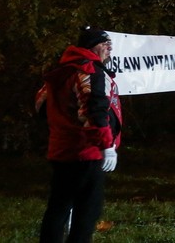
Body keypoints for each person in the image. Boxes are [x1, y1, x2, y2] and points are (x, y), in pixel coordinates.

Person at [36, 26, 123, 243]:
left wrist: (61, 129)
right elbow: (95, 109)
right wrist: (107, 146)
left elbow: (40, 104)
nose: (109, 49)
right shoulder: (90, 72)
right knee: (87, 211)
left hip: (61, 151)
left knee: (59, 207)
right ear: (94, 46)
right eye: (105, 44)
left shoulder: (61, 71)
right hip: (87, 152)